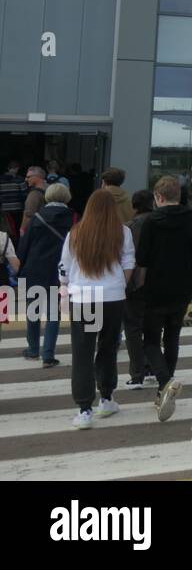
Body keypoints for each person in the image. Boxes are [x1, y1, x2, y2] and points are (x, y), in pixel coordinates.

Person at [136, 175, 192, 422]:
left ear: (158, 197)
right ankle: (163, 391)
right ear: (178, 196)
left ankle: (165, 381)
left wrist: (135, 286)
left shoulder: (150, 222)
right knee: (172, 337)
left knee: (149, 340)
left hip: (155, 287)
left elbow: (142, 259)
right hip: (183, 288)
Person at [59, 188, 135, 428]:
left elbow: (64, 267)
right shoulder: (123, 232)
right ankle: (106, 398)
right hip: (112, 297)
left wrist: (67, 287)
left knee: (82, 352)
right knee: (108, 348)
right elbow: (129, 263)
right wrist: (120, 284)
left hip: (83, 298)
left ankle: (84, 409)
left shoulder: (75, 233)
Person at [15, 182, 74, 367]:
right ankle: (48, 354)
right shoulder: (73, 219)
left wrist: (19, 265)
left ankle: (33, 350)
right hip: (59, 272)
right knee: (53, 313)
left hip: (34, 269)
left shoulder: (37, 217)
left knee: (33, 311)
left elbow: (25, 245)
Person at [122, 189, 155, 388]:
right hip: (157, 281)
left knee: (132, 328)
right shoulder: (161, 222)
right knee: (152, 325)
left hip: (134, 283)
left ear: (133, 206)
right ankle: (152, 365)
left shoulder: (129, 227)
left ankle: (137, 373)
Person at [1, 160, 25, 238]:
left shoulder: (0, 180)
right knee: (17, 229)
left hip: (4, 210)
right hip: (17, 209)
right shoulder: (20, 179)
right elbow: (24, 194)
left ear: (8, 168)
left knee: (5, 229)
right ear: (17, 168)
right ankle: (16, 246)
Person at [21, 166, 47, 233]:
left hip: (36, 231)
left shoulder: (34, 194)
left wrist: (22, 230)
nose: (25, 179)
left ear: (37, 177)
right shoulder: (51, 188)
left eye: (28, 177)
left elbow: (28, 215)